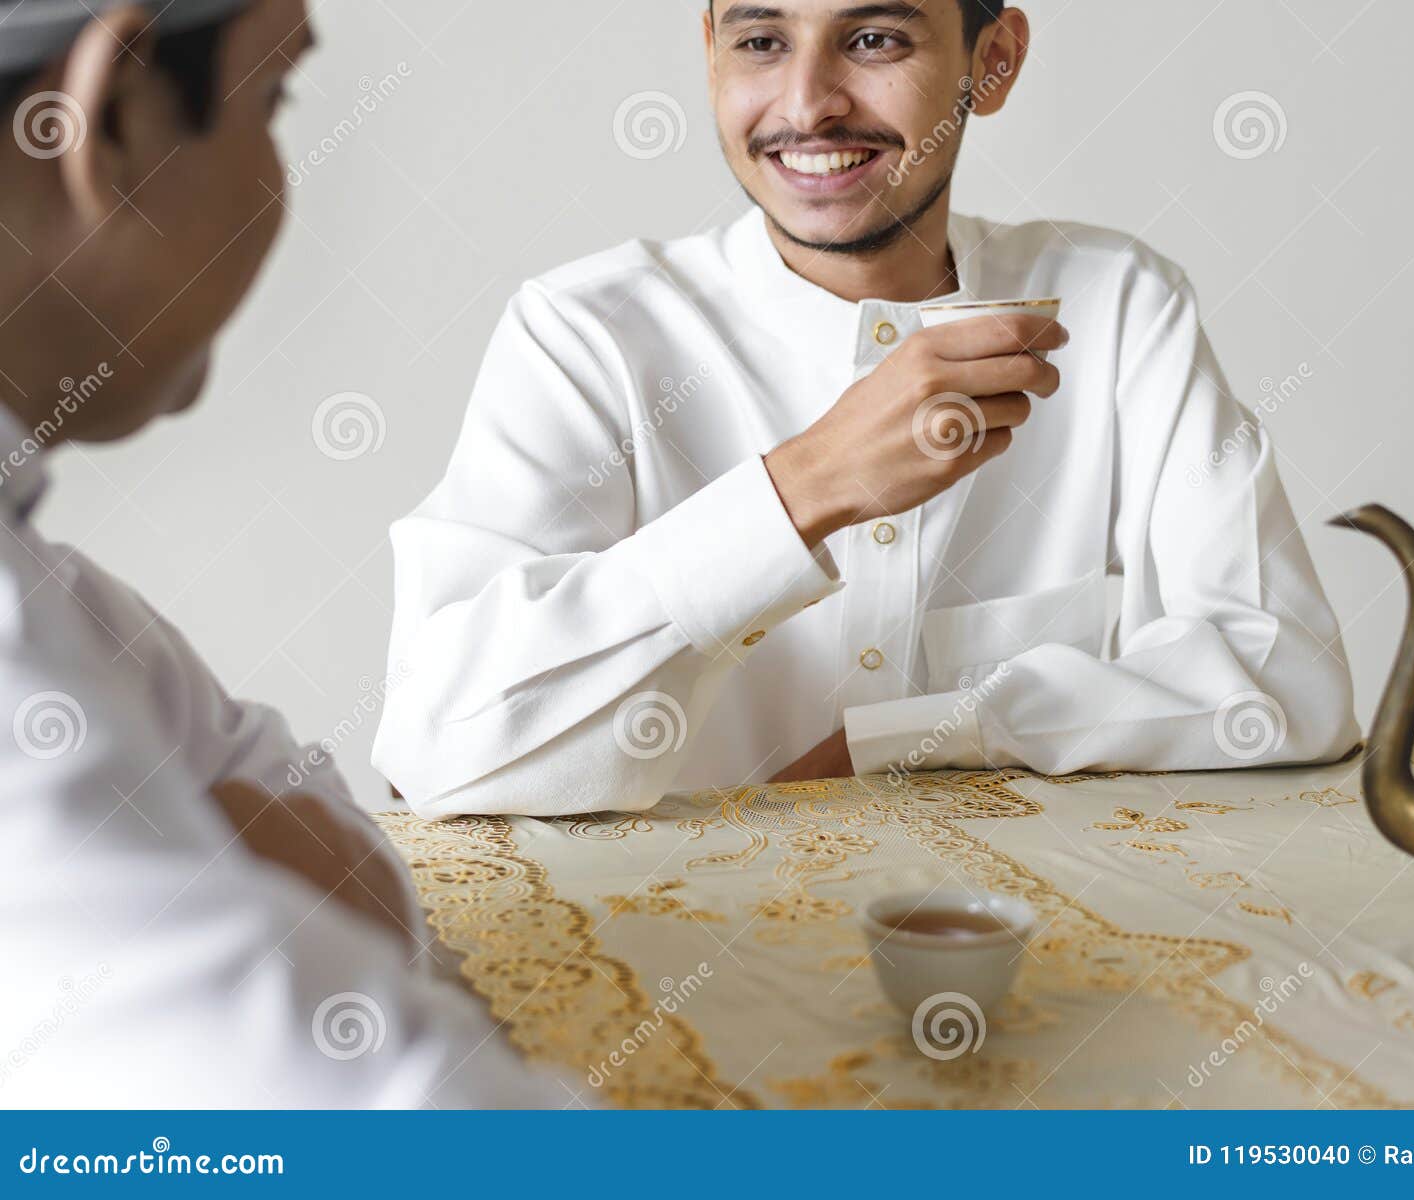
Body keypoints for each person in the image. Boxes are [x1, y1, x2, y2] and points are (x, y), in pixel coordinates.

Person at [374, 0, 1361, 819]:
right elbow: (441, 752)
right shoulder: (584, 335)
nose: (808, 104)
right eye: (761, 41)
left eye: (874, 38)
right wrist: (809, 484)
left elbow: (1288, 685)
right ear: (710, 54)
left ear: (994, 60)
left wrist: (901, 742)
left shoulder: (1115, 304)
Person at [0, 0, 575, 1106]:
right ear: (108, 112)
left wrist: (230, 845)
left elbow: (346, 861)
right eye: (276, 97)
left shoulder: (64, 607)